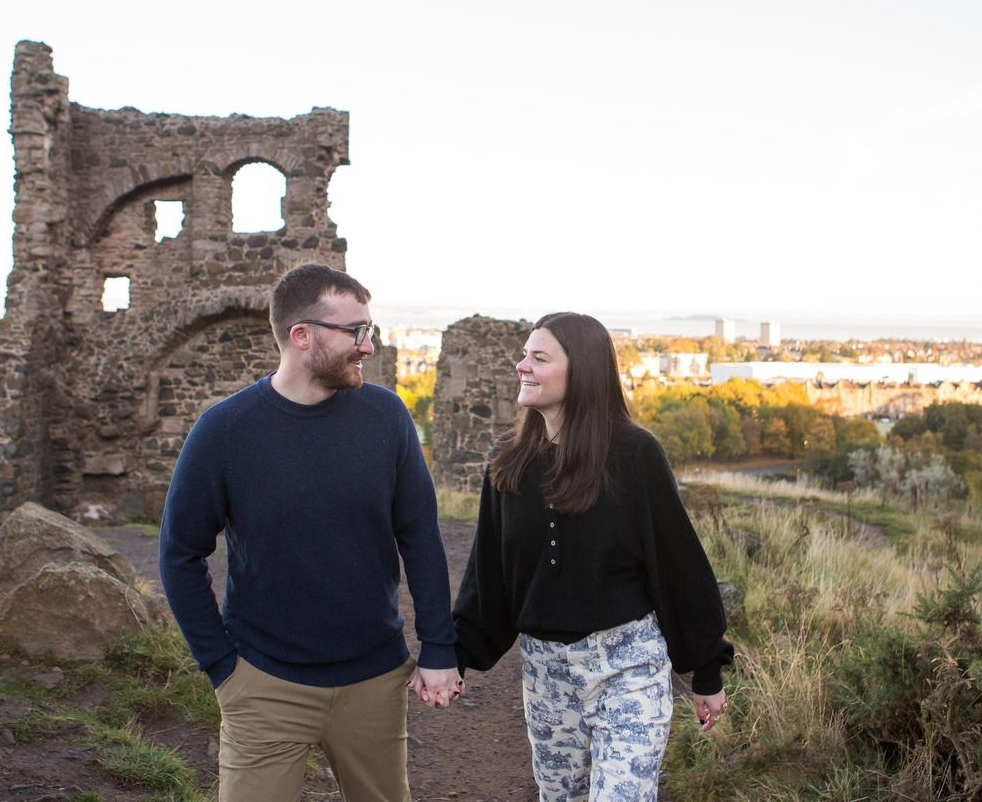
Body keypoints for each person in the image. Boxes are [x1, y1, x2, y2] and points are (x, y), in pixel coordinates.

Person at [159, 264, 462, 802]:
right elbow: (180, 553)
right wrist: (221, 666)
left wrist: (439, 647)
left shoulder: (386, 416)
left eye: (371, 330)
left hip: (374, 679)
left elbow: (419, 536)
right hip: (263, 683)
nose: (368, 346)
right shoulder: (225, 430)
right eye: (356, 331)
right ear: (302, 336)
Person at [453, 312, 734, 802]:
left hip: (628, 667)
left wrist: (706, 668)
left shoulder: (635, 454)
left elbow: (678, 564)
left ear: (580, 370)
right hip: (545, 674)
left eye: (538, 358)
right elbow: (490, 576)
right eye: (524, 354)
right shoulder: (508, 462)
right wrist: (453, 654)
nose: (522, 365)